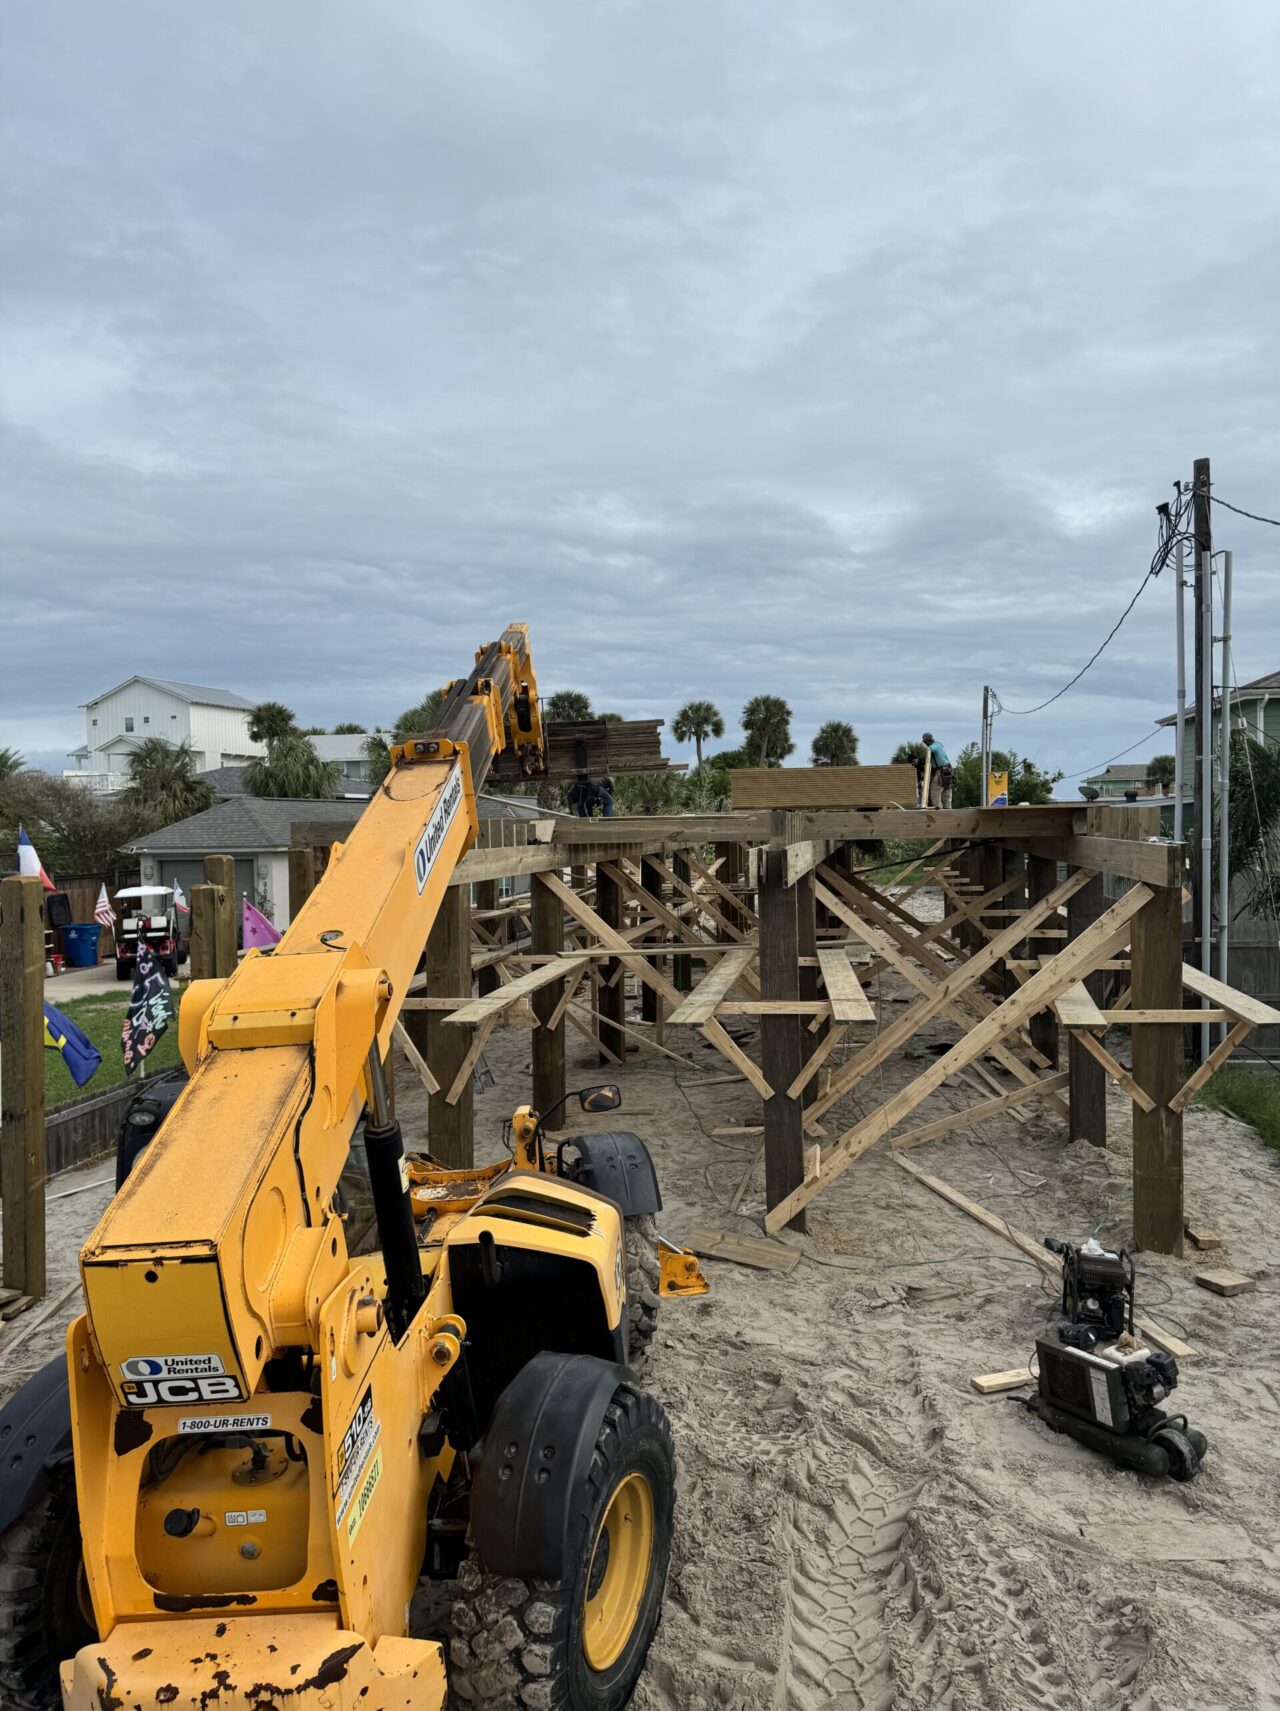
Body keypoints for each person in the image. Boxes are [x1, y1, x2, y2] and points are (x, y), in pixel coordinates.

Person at [921, 732, 953, 809]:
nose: (926, 744)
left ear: (928, 741)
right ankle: (948, 813)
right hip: (948, 771)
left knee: (935, 793)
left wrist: (924, 747)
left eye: (925, 742)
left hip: (941, 772)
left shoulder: (934, 746)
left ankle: (939, 813)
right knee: (946, 795)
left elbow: (931, 749)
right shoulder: (939, 745)